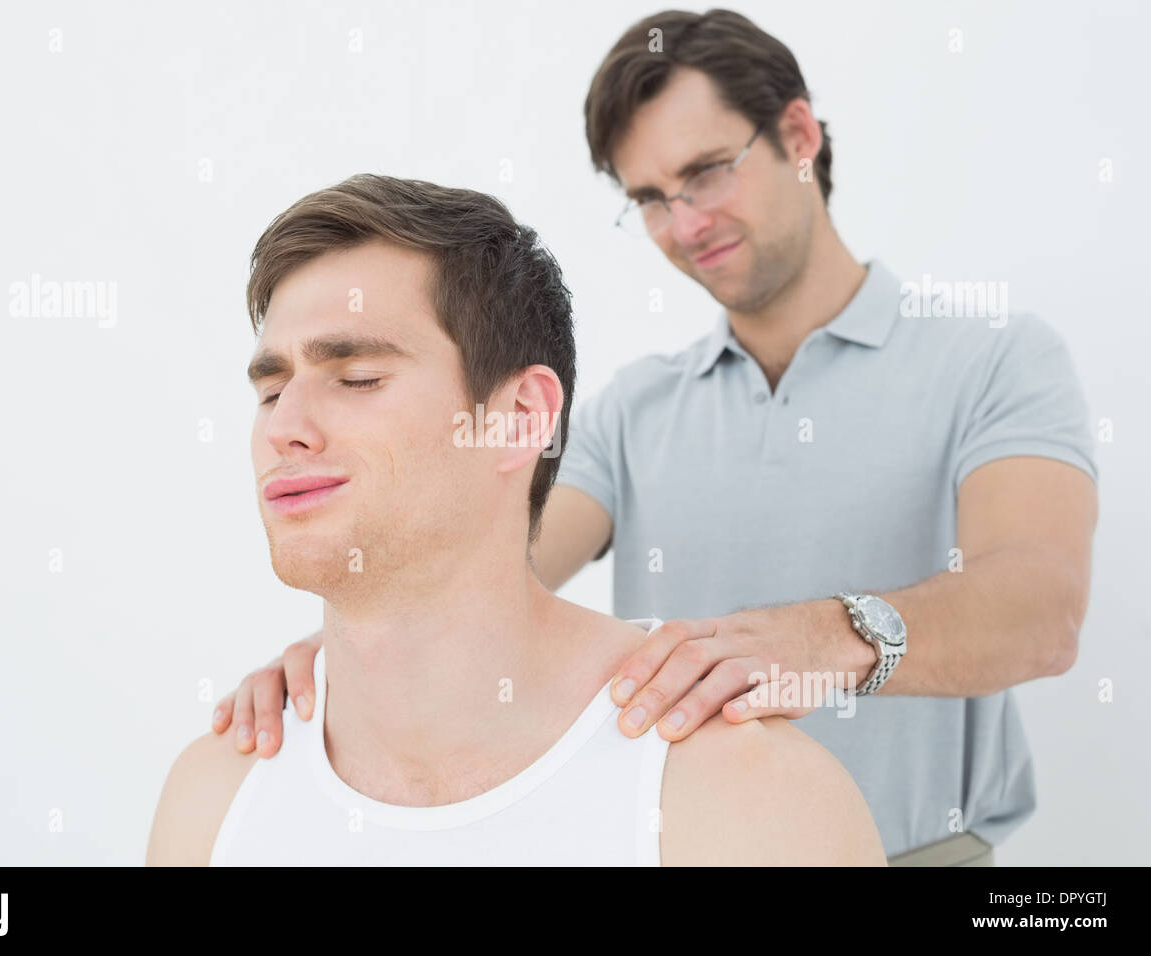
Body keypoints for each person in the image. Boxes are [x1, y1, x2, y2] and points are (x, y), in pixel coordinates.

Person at [211, 10, 1099, 867]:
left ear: (798, 137)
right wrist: (336, 666)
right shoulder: (635, 410)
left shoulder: (992, 360)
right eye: (649, 198)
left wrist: (829, 637)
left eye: (707, 172)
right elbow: (470, 553)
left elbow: (1040, 607)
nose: (683, 225)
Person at [146, 174, 885, 866]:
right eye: (271, 391)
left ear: (519, 419)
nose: (286, 428)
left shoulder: (748, 803)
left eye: (357, 377)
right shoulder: (214, 801)